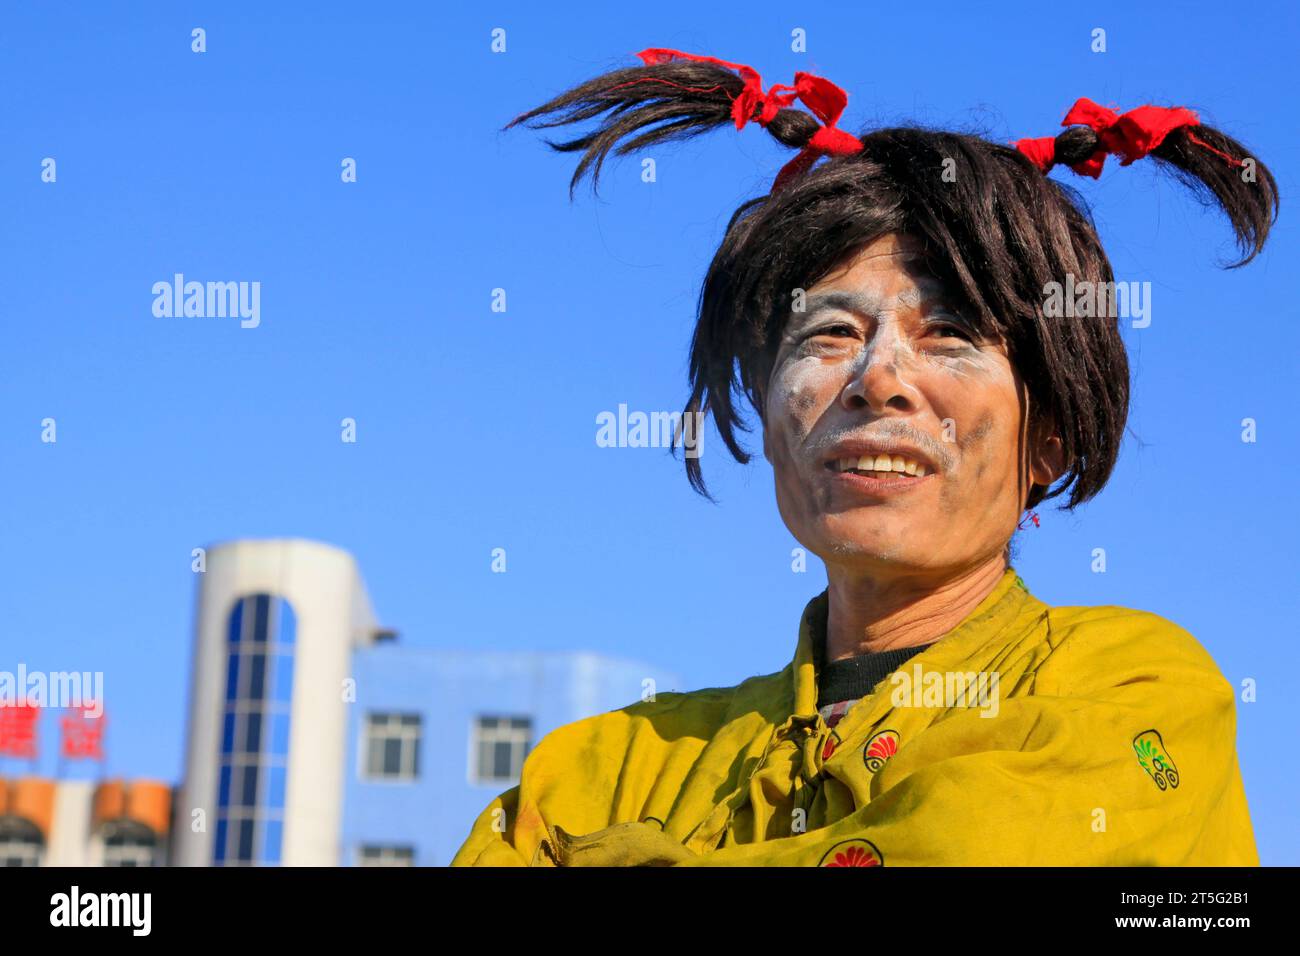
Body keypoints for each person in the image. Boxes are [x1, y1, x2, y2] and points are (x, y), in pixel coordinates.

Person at [452, 49, 1277, 866]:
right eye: (830, 333)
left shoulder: (1139, 692)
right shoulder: (603, 768)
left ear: (1050, 437)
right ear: (771, 419)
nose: (876, 379)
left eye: (949, 334)